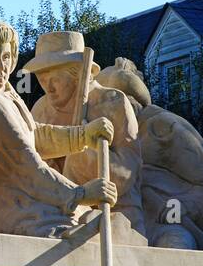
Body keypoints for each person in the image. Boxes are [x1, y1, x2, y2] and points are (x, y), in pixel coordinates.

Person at [0, 20, 115, 238]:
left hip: (36, 204)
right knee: (92, 232)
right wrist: (80, 194)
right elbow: (25, 163)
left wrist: (82, 136)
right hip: (21, 214)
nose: (2, 68)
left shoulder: (4, 91)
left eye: (6, 57)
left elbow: (35, 134)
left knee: (105, 226)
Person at [96, 58, 203, 250]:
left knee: (173, 247)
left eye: (109, 104)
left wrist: (175, 209)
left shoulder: (164, 129)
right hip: (120, 227)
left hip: (167, 229)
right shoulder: (101, 136)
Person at [26, 31, 146, 244]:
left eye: (55, 79)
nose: (49, 88)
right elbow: (34, 167)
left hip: (116, 209)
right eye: (43, 81)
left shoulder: (112, 102)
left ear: (77, 73)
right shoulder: (41, 109)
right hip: (60, 208)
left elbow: (128, 173)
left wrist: (85, 152)